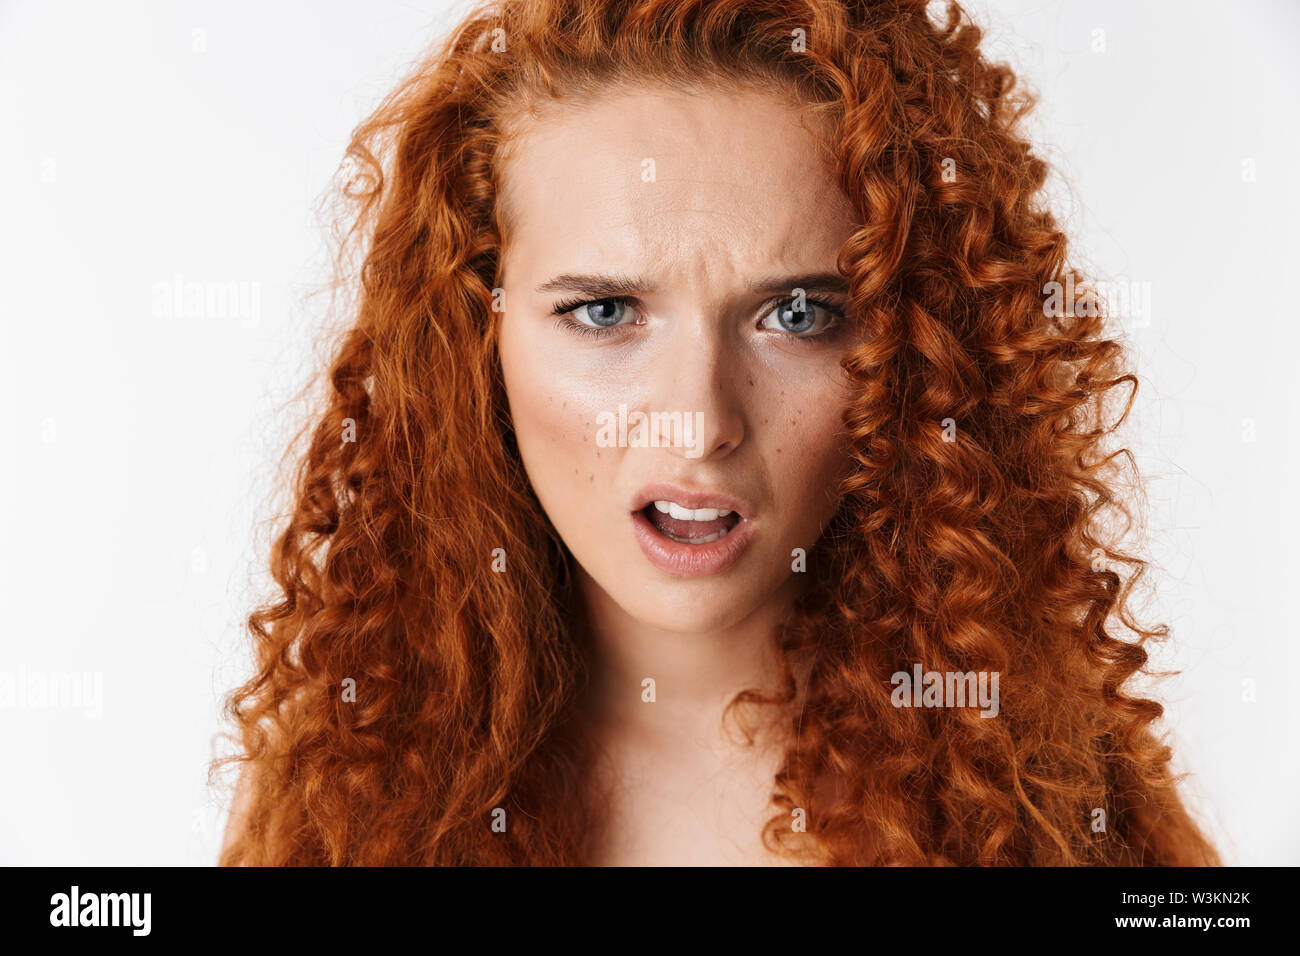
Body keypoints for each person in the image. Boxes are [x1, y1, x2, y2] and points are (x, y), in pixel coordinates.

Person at [216, 0, 1221, 866]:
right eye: (604, 312)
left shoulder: (1047, 804)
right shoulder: (351, 798)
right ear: (475, 331)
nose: (697, 421)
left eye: (795, 315)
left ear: (915, 355)